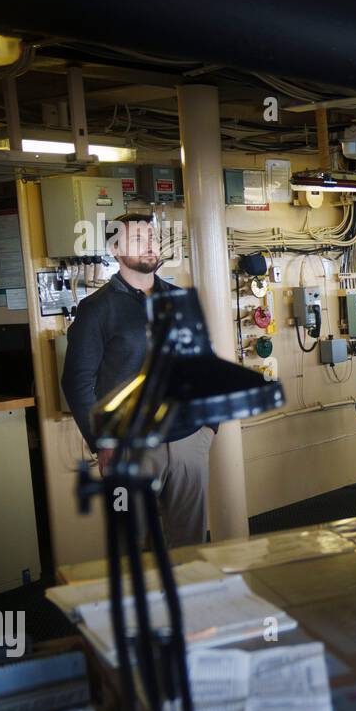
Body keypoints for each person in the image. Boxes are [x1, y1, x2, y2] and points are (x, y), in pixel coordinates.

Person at [62, 214, 215, 547]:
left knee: (192, 545)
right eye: (138, 239)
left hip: (188, 440)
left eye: (153, 237)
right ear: (116, 249)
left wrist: (208, 427)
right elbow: (76, 382)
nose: (150, 245)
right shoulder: (96, 309)